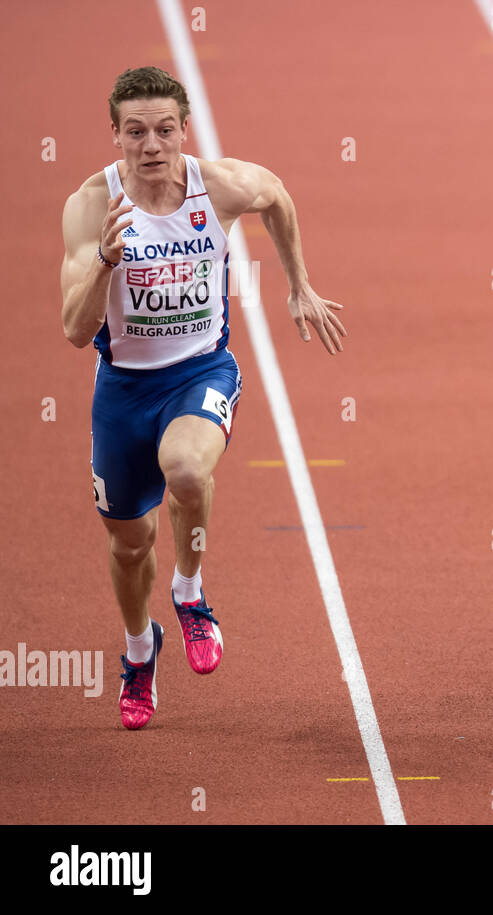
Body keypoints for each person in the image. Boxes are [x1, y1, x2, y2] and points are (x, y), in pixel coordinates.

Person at [59, 66, 346, 729]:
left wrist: (298, 282)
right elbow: (75, 331)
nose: (152, 145)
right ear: (116, 137)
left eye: (165, 130)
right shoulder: (88, 206)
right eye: (136, 132)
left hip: (201, 371)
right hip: (124, 393)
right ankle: (139, 649)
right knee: (129, 546)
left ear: (184, 130)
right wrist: (105, 261)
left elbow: (275, 194)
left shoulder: (216, 188)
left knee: (187, 467)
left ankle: (189, 591)